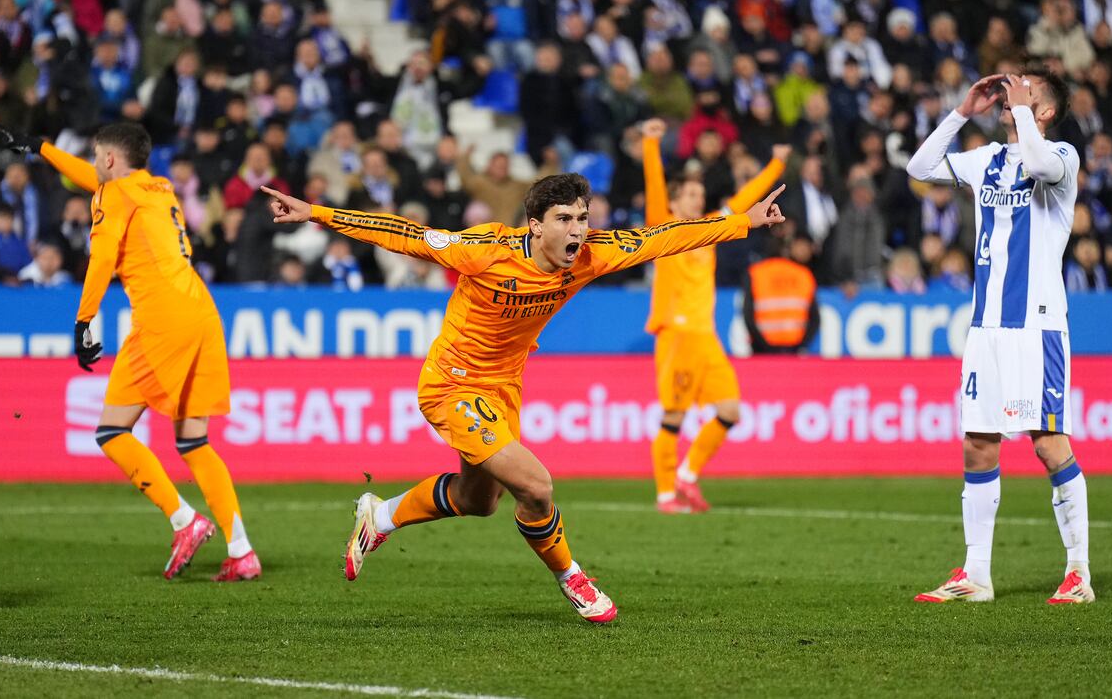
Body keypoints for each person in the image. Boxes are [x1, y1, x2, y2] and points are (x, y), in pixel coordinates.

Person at [259, 124, 787, 623]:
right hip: (453, 383)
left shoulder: (595, 254)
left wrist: (742, 222)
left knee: (477, 501)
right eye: (564, 220)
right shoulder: (485, 249)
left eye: (582, 218)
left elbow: (667, 236)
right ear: (535, 226)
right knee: (536, 487)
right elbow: (405, 233)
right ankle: (573, 577)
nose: (577, 230)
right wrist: (316, 212)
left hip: (504, 385)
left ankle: (381, 515)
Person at [0, 122, 260, 583]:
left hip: (161, 319)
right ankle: (241, 551)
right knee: (194, 441)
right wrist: (41, 148)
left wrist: (83, 320)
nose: (95, 165)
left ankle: (184, 520)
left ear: (111, 159)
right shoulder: (157, 187)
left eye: (98, 156)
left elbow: (101, 258)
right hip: (201, 311)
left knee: (111, 431)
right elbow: (92, 177)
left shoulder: (115, 195)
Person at [906, 70, 1092, 605]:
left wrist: (1024, 115)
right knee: (978, 445)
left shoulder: (1060, 156)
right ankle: (977, 575)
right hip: (985, 327)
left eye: (1026, 89)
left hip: (1037, 326)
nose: (1012, 94)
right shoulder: (986, 158)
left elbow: (1034, 161)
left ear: (1046, 110)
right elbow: (919, 167)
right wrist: (961, 111)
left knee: (1049, 444)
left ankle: (1078, 572)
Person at [641, 120, 788, 513]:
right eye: (689, 193)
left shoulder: (709, 229)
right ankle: (666, 495)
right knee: (673, 416)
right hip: (676, 333)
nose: (696, 198)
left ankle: (688, 475)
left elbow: (742, 203)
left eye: (699, 192)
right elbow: (655, 188)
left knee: (730, 411)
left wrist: (775, 165)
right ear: (673, 202)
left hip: (706, 337)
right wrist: (652, 143)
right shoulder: (663, 229)